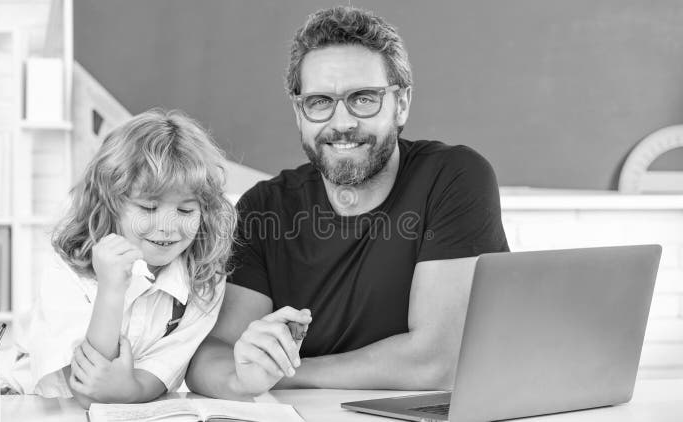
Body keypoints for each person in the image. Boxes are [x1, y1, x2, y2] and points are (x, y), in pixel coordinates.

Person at [186, 6, 509, 398]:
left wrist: (282, 372)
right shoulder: (263, 208)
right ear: (299, 111)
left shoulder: (453, 177)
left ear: (401, 103)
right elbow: (210, 358)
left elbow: (437, 362)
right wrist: (243, 377)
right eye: (320, 101)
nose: (342, 123)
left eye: (363, 98)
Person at [5, 109, 237, 408]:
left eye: (186, 211)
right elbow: (87, 391)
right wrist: (111, 289)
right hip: (28, 405)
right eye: (148, 207)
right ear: (111, 202)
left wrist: (130, 390)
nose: (167, 226)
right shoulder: (67, 268)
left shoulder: (204, 282)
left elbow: (161, 371)